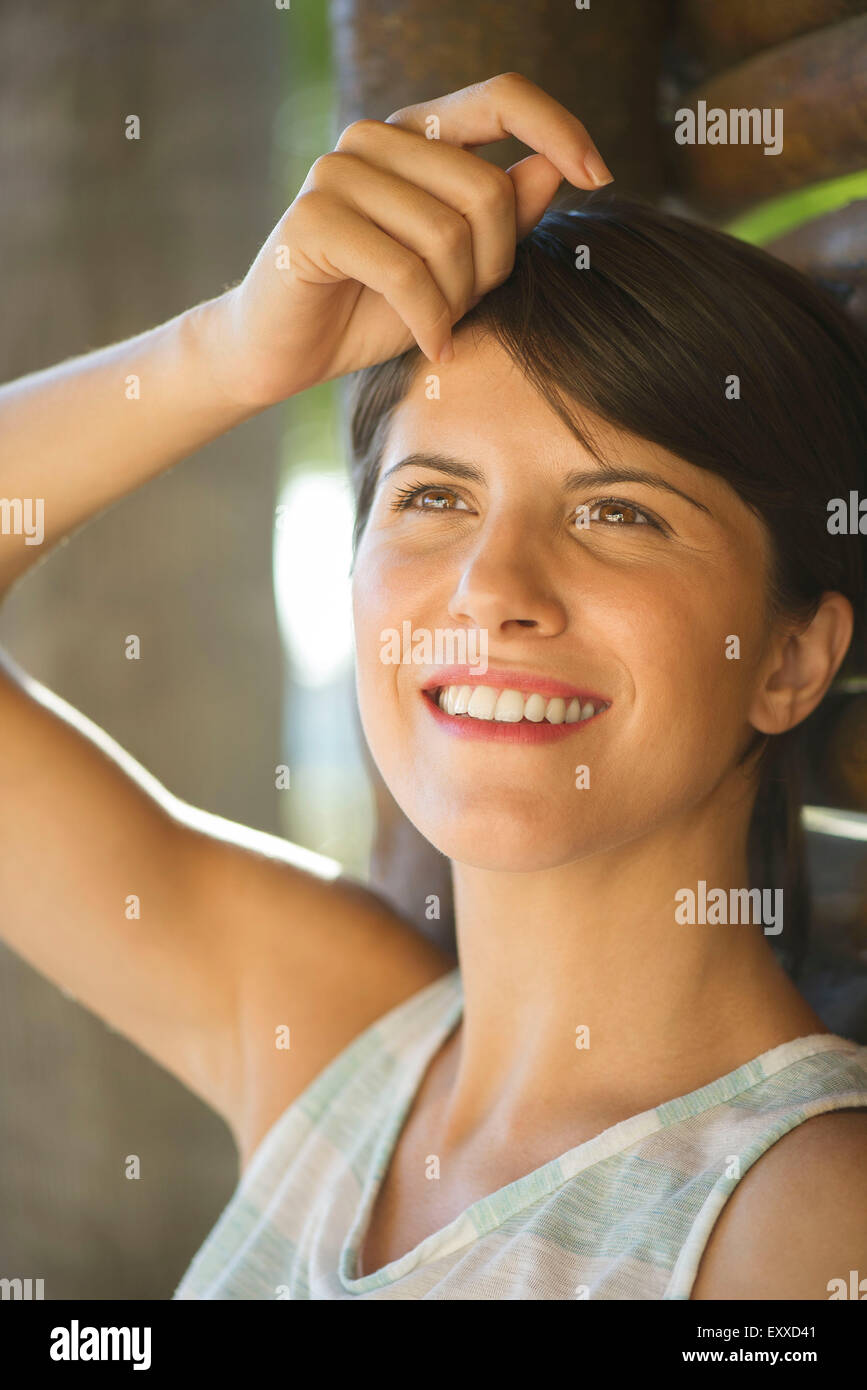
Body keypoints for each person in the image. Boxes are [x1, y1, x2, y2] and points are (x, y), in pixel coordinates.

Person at [1, 73, 866, 1301]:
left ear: (788, 660)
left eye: (619, 512)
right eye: (434, 497)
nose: (490, 586)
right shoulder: (329, 1034)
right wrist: (227, 352)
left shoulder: (808, 1225)